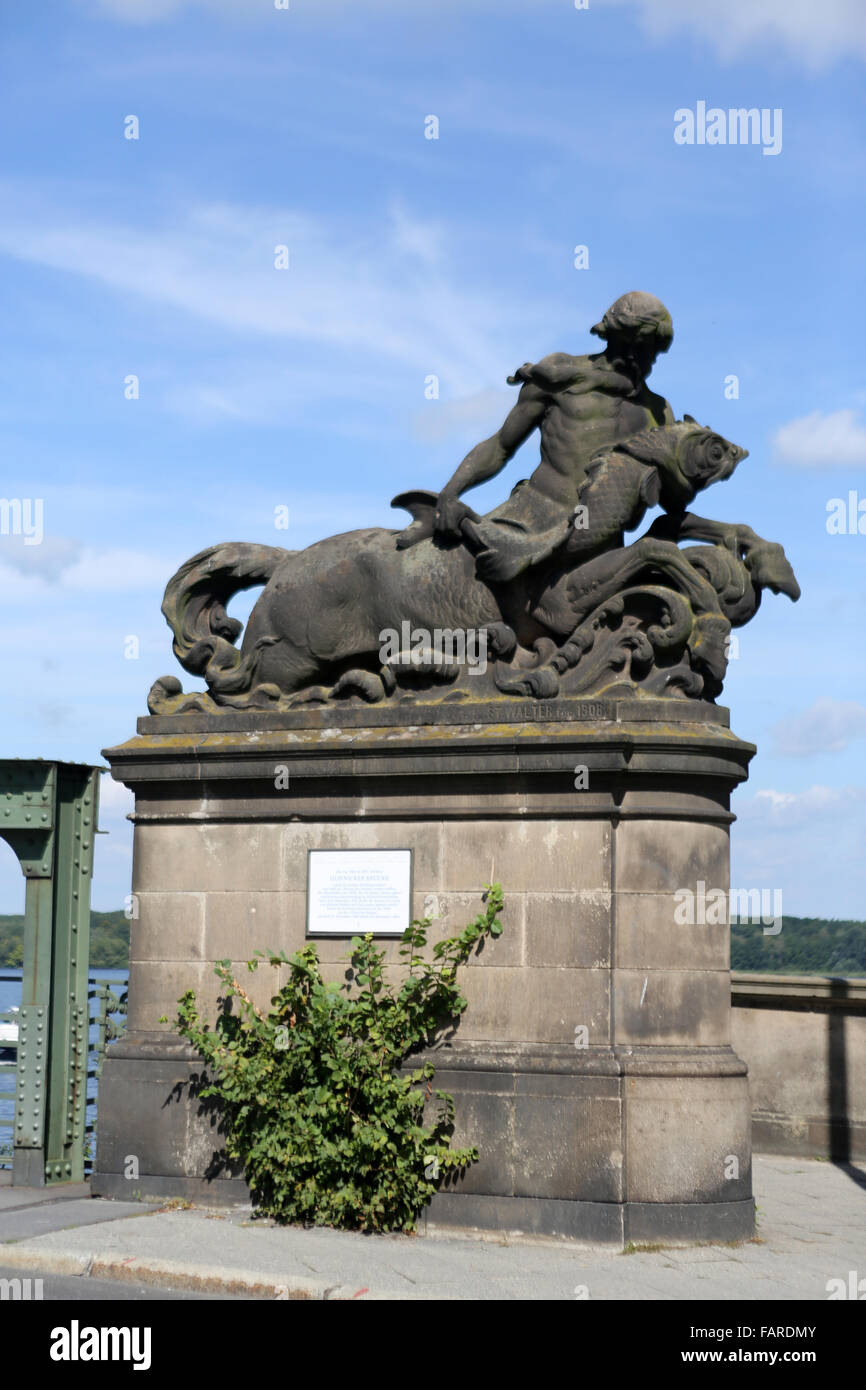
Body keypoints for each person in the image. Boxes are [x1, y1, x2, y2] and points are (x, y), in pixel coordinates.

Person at [419, 291, 676, 583]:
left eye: (653, 350)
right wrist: (450, 493)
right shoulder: (559, 373)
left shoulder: (658, 411)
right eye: (639, 345)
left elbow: (671, 495)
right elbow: (500, 445)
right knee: (459, 578)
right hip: (532, 517)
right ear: (616, 335)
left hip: (599, 541)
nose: (645, 357)